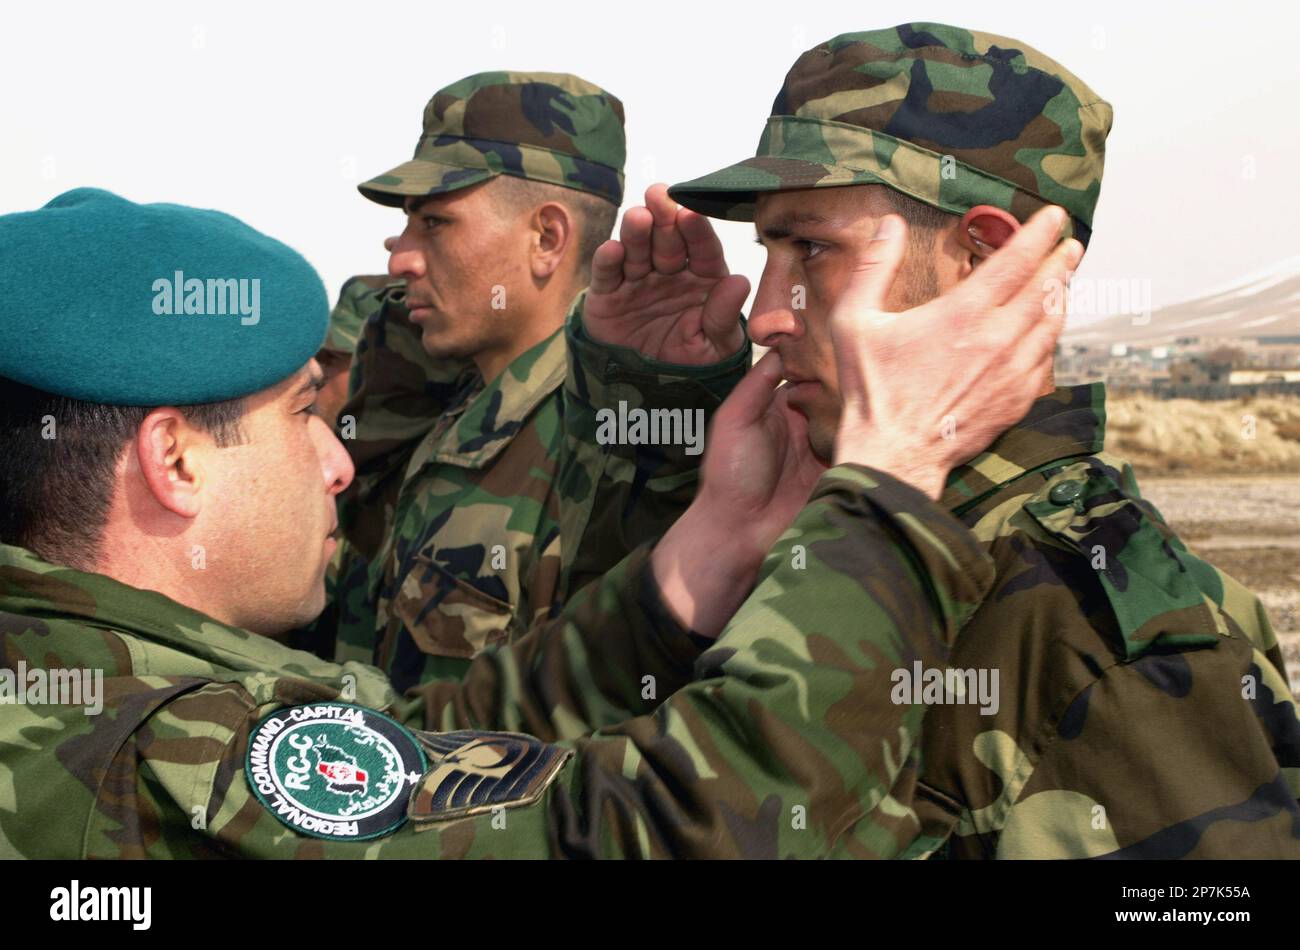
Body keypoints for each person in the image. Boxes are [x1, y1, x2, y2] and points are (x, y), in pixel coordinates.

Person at [0, 184, 1073, 857]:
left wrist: (687, 570)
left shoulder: (94, 665)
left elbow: (434, 741)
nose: (335, 463)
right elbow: (681, 828)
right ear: (173, 458)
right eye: (300, 416)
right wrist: (888, 485)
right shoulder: (162, 753)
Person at [559, 23, 1300, 857]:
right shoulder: (821, 541)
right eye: (769, 249)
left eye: (812, 248)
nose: (766, 315)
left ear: (982, 257)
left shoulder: (1097, 634)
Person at [328, 72, 632, 691]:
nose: (400, 259)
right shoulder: (441, 403)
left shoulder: (610, 446)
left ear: (547, 239)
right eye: (408, 224)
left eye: (436, 224)